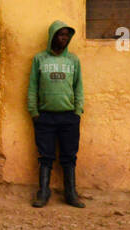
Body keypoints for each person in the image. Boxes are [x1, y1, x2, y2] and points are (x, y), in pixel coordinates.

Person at [27, 20, 86, 208]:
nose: (64, 38)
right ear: (53, 36)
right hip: (45, 116)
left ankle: (71, 193)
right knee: (45, 155)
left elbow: (79, 87)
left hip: (69, 116)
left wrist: (77, 111)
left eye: (67, 35)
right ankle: (43, 192)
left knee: (69, 155)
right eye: (61, 34)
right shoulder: (39, 59)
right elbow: (32, 87)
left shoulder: (73, 60)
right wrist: (34, 112)